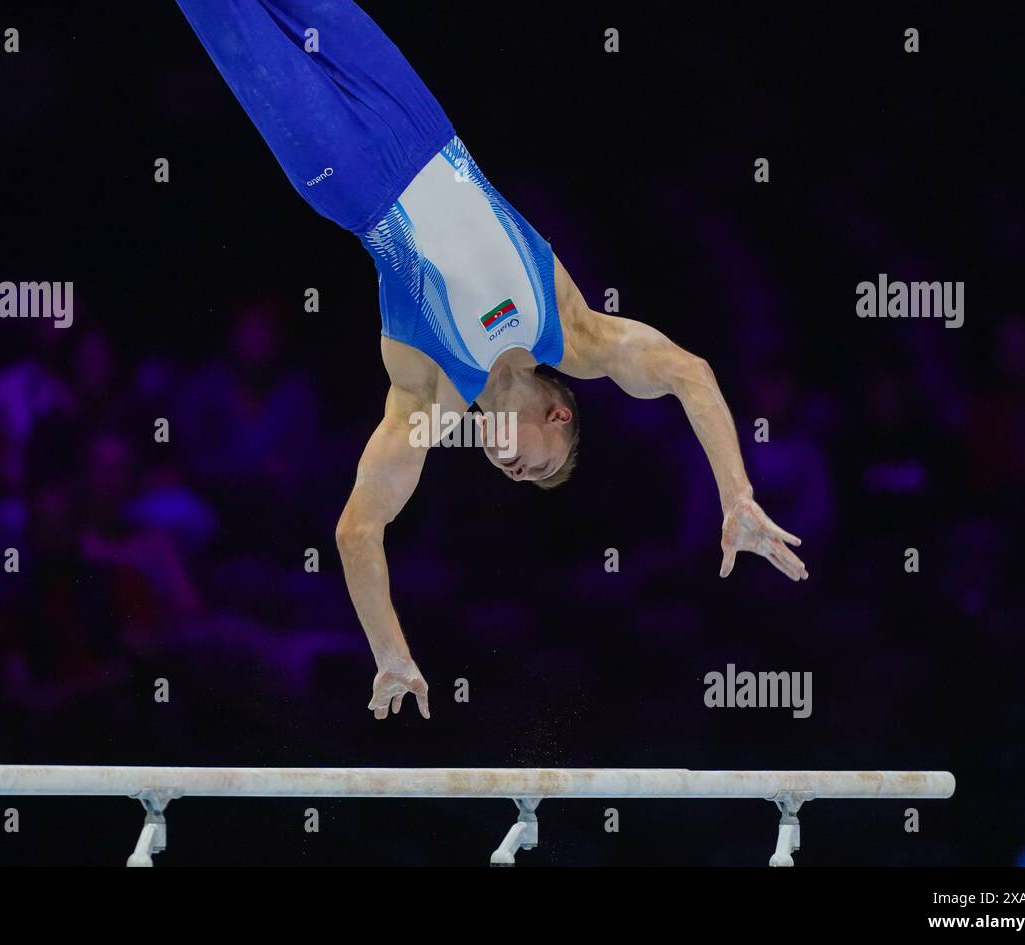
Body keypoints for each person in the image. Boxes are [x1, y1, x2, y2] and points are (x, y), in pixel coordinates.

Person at [176, 0, 808, 720]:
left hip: (347, 179)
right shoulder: (572, 330)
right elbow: (689, 372)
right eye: (539, 465)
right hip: (418, 119)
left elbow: (358, 530)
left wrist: (390, 652)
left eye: (523, 477)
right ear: (559, 414)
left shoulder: (429, 399)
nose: (516, 472)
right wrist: (736, 493)